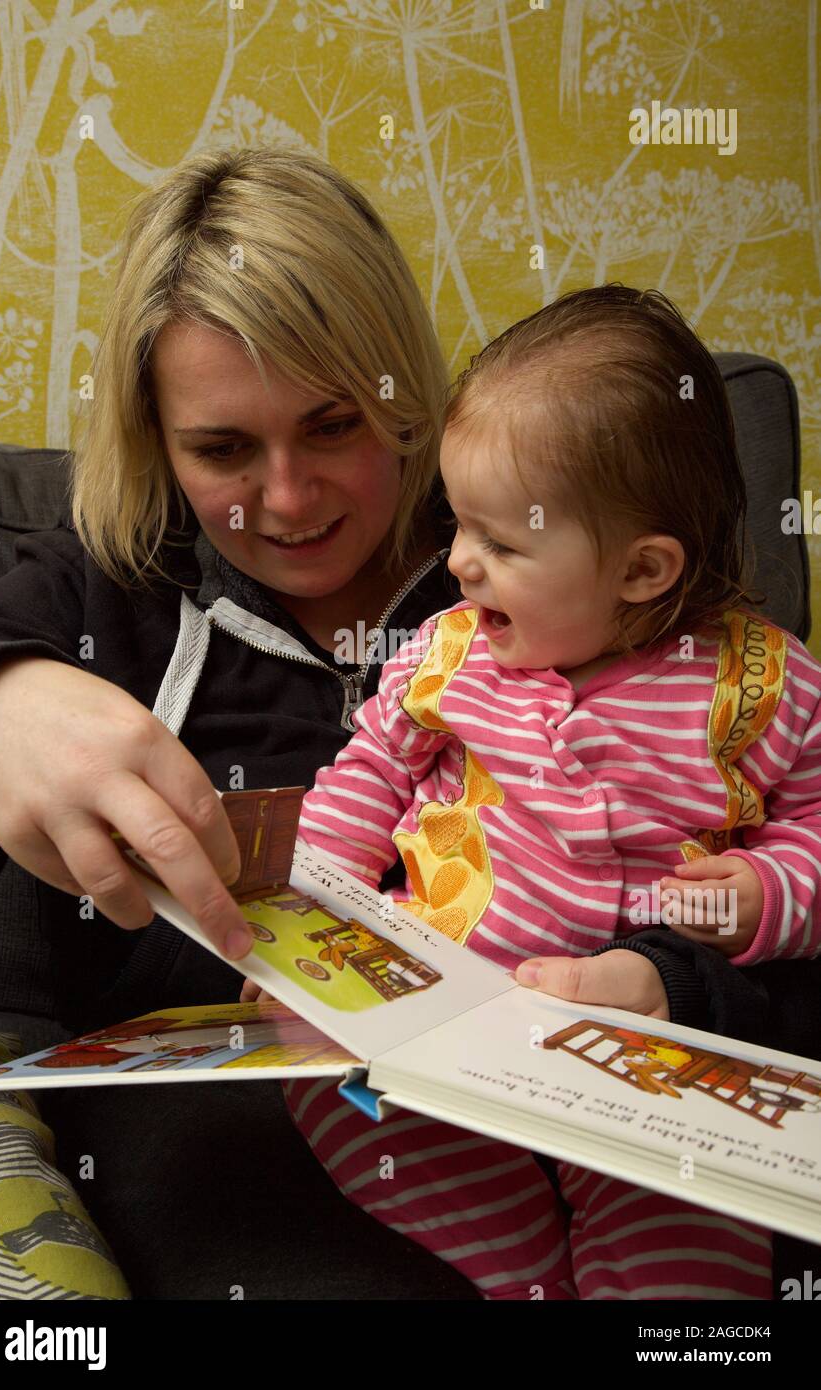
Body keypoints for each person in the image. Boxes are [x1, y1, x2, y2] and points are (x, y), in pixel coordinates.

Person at [0, 149, 817, 1298]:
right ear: (154, 437)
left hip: (620, 1083)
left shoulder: (561, 556)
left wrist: (675, 976)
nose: (291, 498)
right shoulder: (95, 595)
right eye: (221, 448)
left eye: (331, 425)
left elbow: (771, 862)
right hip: (290, 1143)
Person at [279, 284, 821, 1300]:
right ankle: (520, 1269)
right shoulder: (448, 657)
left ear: (641, 569)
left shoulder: (762, 686)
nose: (457, 564)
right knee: (334, 1088)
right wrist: (306, 909)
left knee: (688, 1228)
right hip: (442, 1023)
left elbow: (813, 832)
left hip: (639, 1057)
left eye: (500, 542)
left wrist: (760, 890)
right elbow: (366, 773)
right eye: (457, 526)